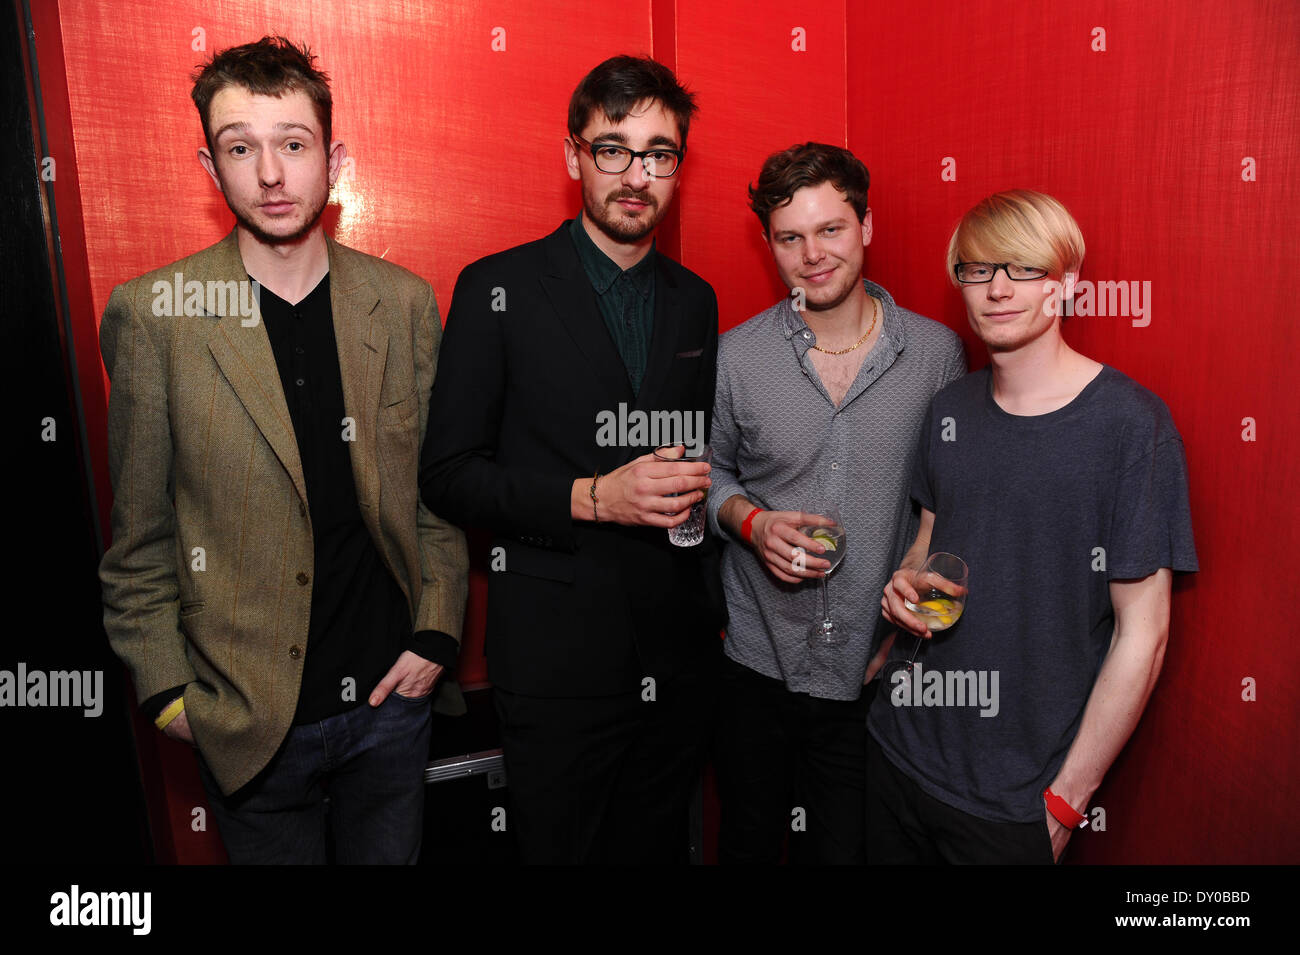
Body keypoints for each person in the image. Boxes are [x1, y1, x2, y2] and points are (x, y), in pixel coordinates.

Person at [97, 36, 469, 864]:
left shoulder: (402, 302)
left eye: (293, 145)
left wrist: (437, 634)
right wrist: (166, 696)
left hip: (389, 702)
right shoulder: (156, 315)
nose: (270, 174)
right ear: (210, 165)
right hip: (246, 723)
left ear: (332, 159)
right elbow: (139, 540)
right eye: (241, 148)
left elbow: (434, 492)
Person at [420, 55, 723, 864]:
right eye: (613, 148)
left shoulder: (696, 298)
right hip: (555, 664)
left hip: (677, 655)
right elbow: (447, 474)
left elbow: (689, 456)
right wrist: (593, 496)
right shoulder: (497, 288)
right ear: (573, 156)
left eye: (660, 153)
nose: (637, 174)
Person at [868, 189, 1198, 864]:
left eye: (1022, 268)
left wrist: (1065, 804)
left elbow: (1146, 633)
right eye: (978, 269)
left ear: (1066, 283)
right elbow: (929, 543)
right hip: (895, 751)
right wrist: (904, 582)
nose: (997, 289)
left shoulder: (1132, 426)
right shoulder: (948, 408)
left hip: (1012, 799)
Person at [707, 143, 966, 864]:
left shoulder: (940, 355)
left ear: (867, 227)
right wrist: (753, 523)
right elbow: (708, 476)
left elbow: (945, 494)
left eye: (831, 229)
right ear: (770, 245)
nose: (812, 254)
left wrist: (912, 609)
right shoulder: (737, 357)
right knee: (751, 845)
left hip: (874, 673)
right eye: (789, 237)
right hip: (756, 666)